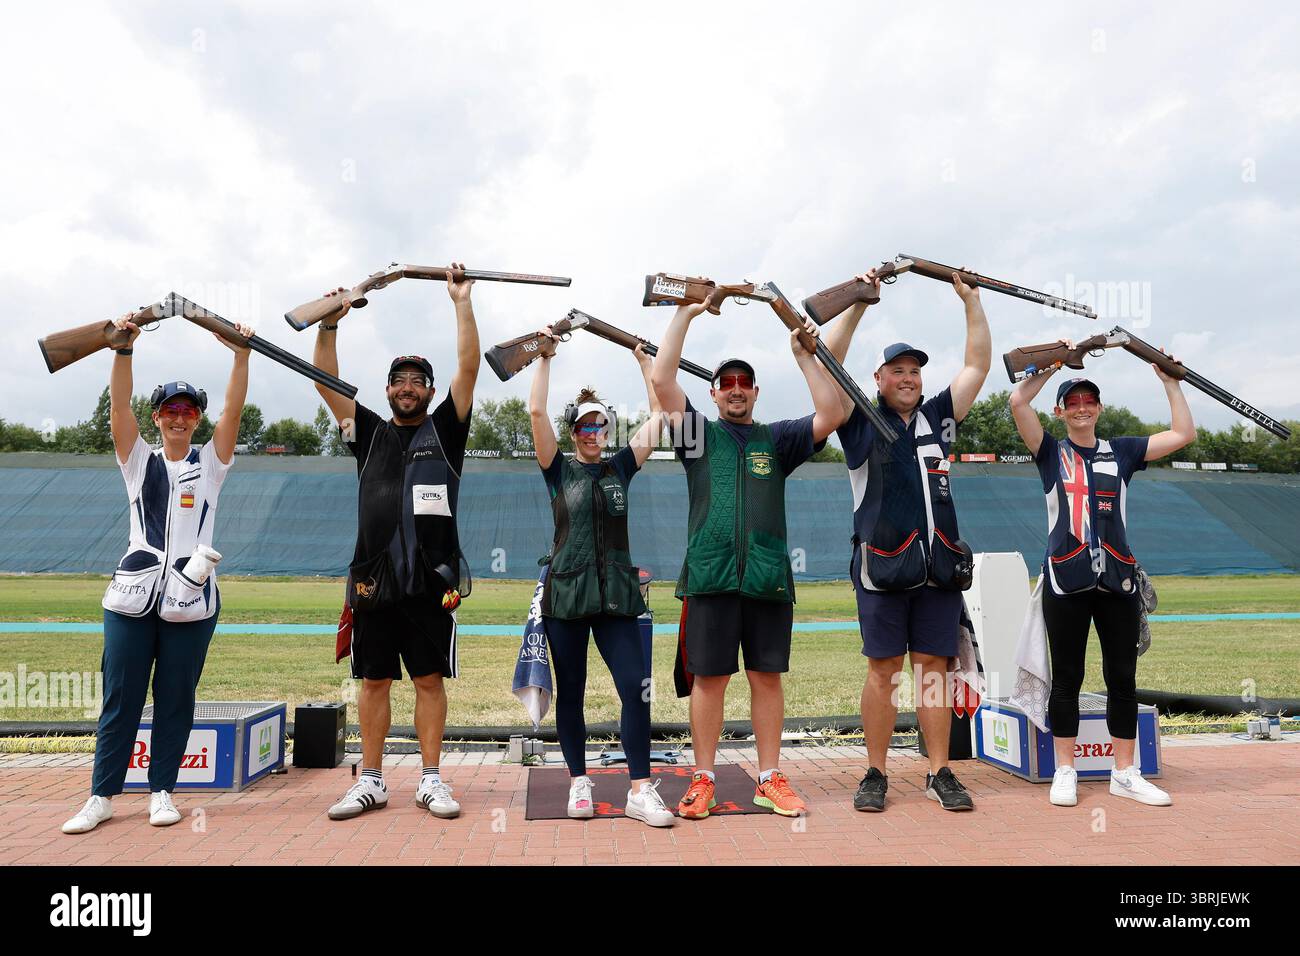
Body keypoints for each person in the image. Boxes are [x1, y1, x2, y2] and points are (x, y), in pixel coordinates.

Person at [651, 294, 843, 819]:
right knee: (709, 681)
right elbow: (664, 381)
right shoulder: (697, 436)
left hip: (766, 578)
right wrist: (686, 312)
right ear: (713, 393)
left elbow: (833, 411)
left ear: (755, 391)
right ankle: (705, 777)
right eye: (727, 383)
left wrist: (806, 355)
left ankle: (769, 777)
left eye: (745, 382)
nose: (736, 390)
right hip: (711, 577)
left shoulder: (776, 439)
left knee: (766, 677)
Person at [62, 314, 253, 834]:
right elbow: (118, 406)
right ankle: (101, 795)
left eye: (188, 411)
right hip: (131, 597)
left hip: (190, 600)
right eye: (170, 410)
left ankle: (162, 791)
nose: (179, 418)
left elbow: (233, 408)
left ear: (196, 420)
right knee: (120, 697)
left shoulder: (211, 464)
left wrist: (241, 354)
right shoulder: (136, 459)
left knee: (176, 698)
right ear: (157, 417)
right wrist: (123, 349)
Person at [820, 267, 991, 812]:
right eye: (898, 370)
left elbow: (978, 365)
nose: (910, 377)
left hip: (939, 570)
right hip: (881, 568)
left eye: (915, 369)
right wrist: (859, 302)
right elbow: (826, 360)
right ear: (878, 378)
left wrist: (971, 301)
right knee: (883, 672)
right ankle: (875, 770)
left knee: (934, 672)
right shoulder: (858, 419)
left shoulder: (939, 417)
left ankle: (939, 771)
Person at [313, 264, 479, 821]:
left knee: (429, 682)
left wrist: (460, 301)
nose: (408, 387)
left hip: (432, 583)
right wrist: (329, 325)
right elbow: (324, 381)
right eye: (399, 380)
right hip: (373, 582)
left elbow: (469, 367)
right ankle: (374, 780)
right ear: (387, 389)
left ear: (429, 391)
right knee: (374, 682)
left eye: (417, 381)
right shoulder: (367, 431)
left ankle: (432, 780)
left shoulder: (448, 432)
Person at [1009, 351, 1194, 808]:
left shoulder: (1124, 450)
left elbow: (1184, 433)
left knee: (1122, 679)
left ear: (1099, 408)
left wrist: (1170, 381)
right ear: (1060, 411)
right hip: (1065, 580)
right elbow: (1017, 402)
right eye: (1072, 403)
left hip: (1118, 582)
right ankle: (1065, 770)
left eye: (1088, 401)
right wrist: (1055, 361)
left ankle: (1124, 773)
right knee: (1067, 677)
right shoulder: (1050, 451)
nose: (1081, 408)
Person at [527, 331, 672, 827]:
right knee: (572, 692)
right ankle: (577, 782)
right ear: (573, 433)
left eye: (601, 424)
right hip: (567, 597)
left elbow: (659, 418)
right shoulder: (556, 470)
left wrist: (643, 361)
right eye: (585, 426)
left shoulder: (621, 469)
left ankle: (639, 789)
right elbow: (535, 414)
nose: (594, 432)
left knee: (635, 688)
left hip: (617, 600)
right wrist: (545, 358)